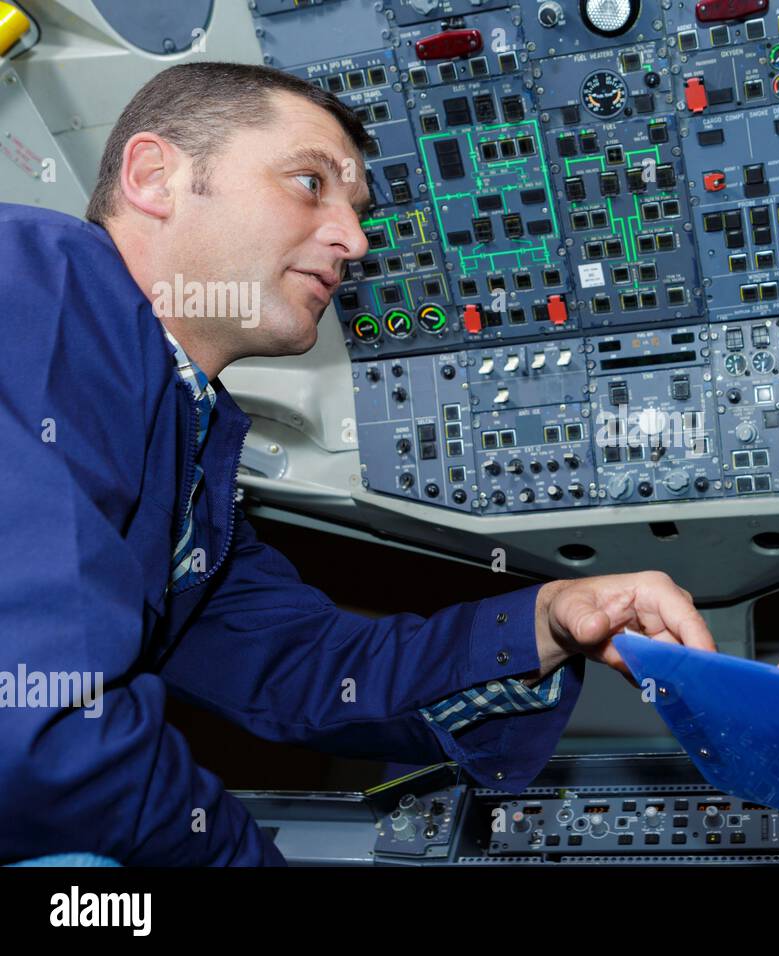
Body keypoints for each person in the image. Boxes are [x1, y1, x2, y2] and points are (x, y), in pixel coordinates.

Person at [0, 62, 713, 866]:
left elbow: (306, 668)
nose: (356, 239)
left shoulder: (180, 434)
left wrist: (547, 619)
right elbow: (44, 733)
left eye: (358, 208)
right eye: (310, 182)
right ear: (154, 176)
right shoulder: (33, 284)